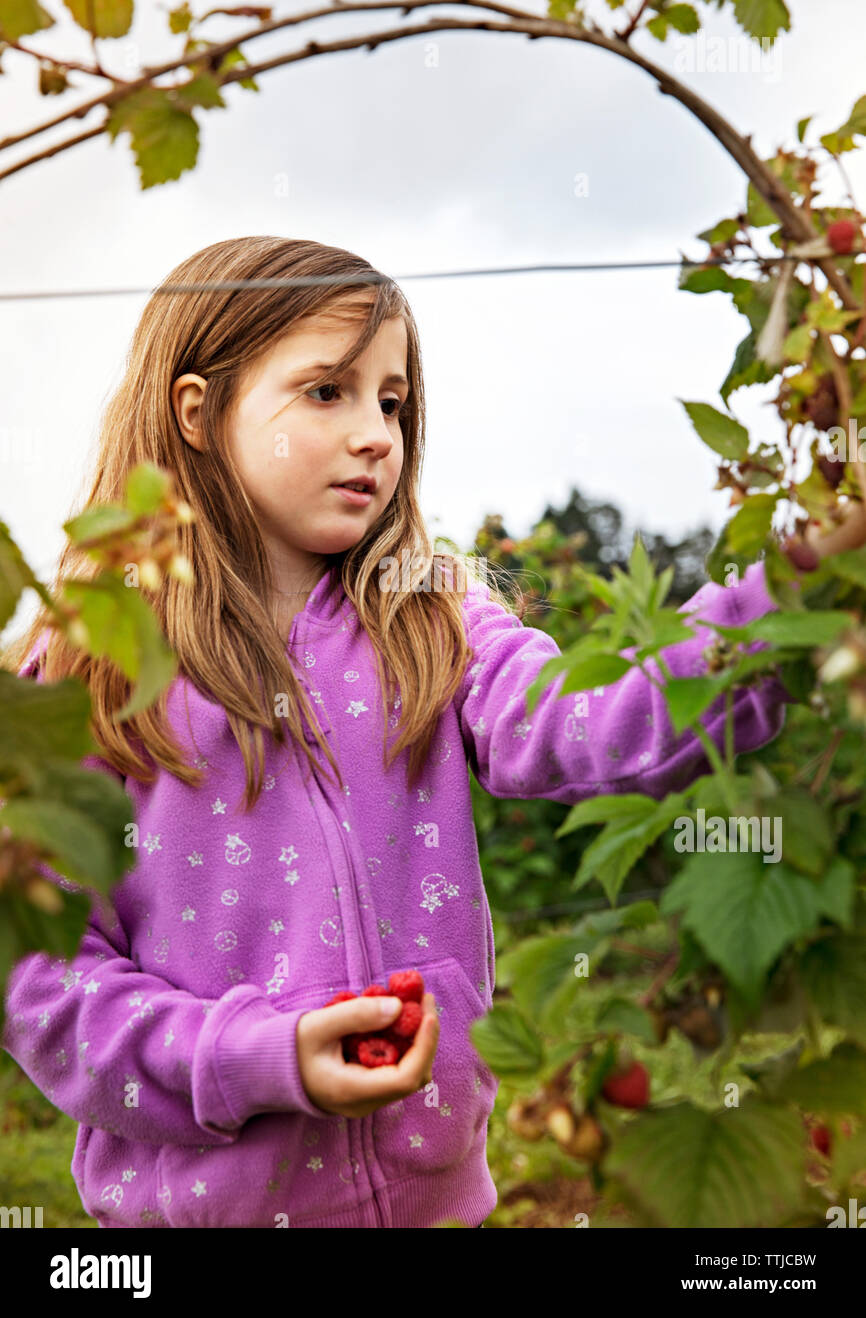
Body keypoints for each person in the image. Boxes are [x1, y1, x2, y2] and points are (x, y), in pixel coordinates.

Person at [2, 235, 864, 1229]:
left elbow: (583, 720)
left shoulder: (428, 614)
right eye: (326, 391)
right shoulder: (95, 676)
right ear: (198, 414)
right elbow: (43, 978)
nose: (375, 432)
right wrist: (255, 1058)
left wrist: (789, 589)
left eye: (392, 401)